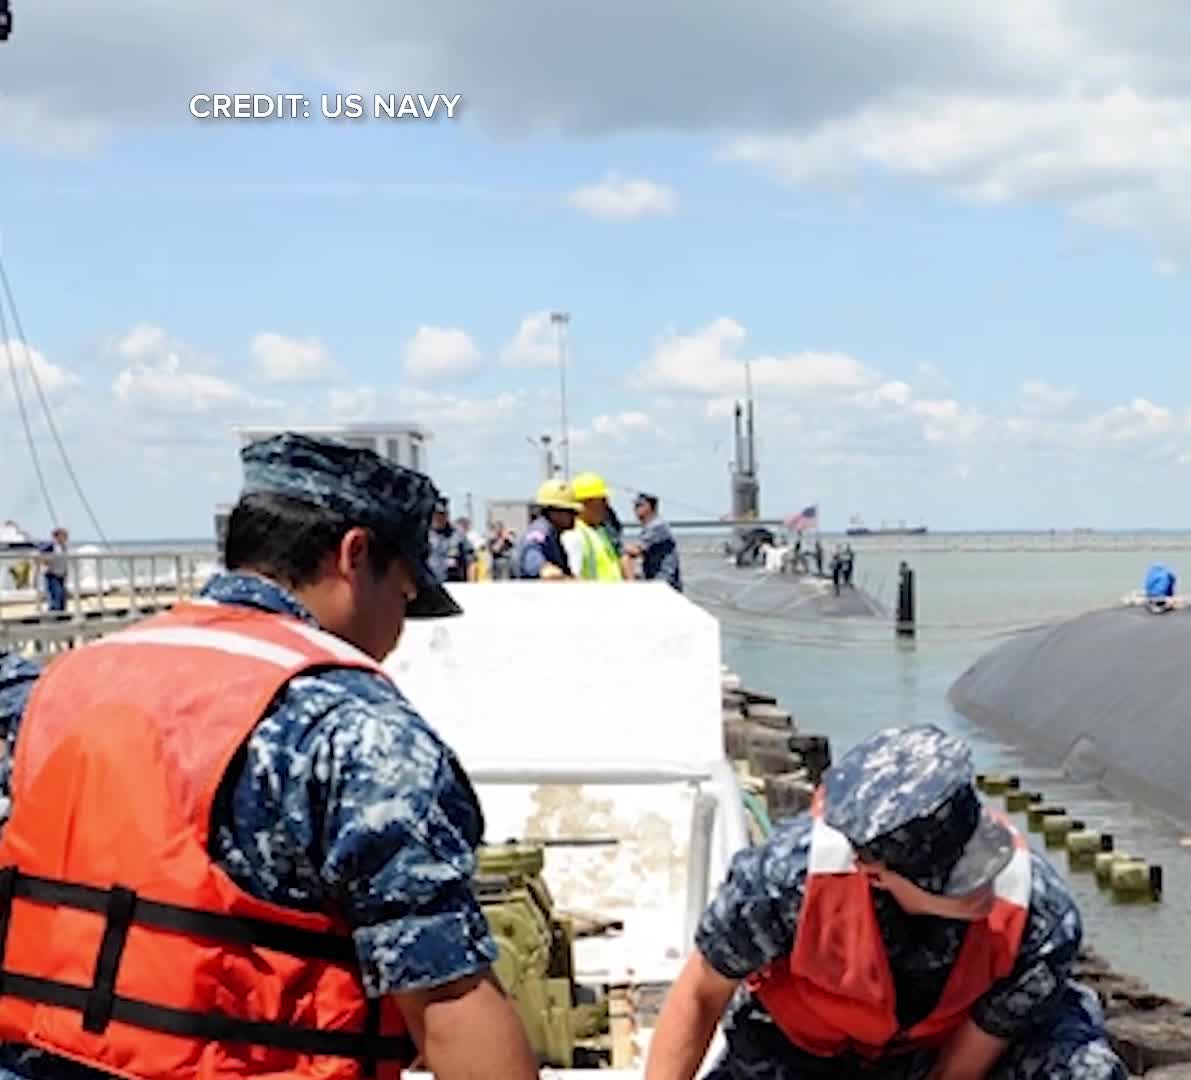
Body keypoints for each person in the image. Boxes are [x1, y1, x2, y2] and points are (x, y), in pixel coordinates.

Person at [0, 432, 539, 1080]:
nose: (399, 630)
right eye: (404, 594)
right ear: (354, 554)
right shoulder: (355, 730)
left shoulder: (70, 682)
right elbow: (450, 1004)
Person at [645, 724, 1126, 1080]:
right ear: (874, 872)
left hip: (933, 1054)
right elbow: (700, 994)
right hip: (802, 1052)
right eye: (956, 883)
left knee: (1084, 1070)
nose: (983, 888)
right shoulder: (783, 881)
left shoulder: (1037, 915)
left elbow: (961, 1068)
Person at [564, 472, 626, 582]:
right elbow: (572, 578)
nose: (606, 506)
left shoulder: (600, 531)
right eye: (601, 501)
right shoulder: (573, 534)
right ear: (584, 503)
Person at [516, 478, 579, 579]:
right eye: (571, 511)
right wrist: (545, 568)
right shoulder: (540, 532)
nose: (575, 517)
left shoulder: (554, 536)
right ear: (554, 512)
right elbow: (532, 557)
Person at [628, 493, 682, 591]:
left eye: (639, 505)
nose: (635, 509)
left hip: (666, 585)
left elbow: (635, 551)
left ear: (649, 507)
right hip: (656, 582)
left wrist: (612, 546)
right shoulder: (649, 527)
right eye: (635, 506)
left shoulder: (657, 526)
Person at [427, 499, 475, 583]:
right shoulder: (424, 534)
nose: (439, 518)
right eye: (437, 514)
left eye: (443, 514)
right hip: (430, 584)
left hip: (453, 584)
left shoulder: (458, 535)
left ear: (447, 515)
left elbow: (470, 562)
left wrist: (471, 585)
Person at [38, 527, 68, 613]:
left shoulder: (63, 547)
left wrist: (66, 571)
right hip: (52, 574)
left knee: (61, 595)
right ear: (57, 536)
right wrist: (45, 562)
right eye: (64, 536)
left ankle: (61, 612)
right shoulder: (51, 545)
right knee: (54, 595)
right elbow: (40, 552)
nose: (65, 538)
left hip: (61, 573)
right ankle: (53, 612)